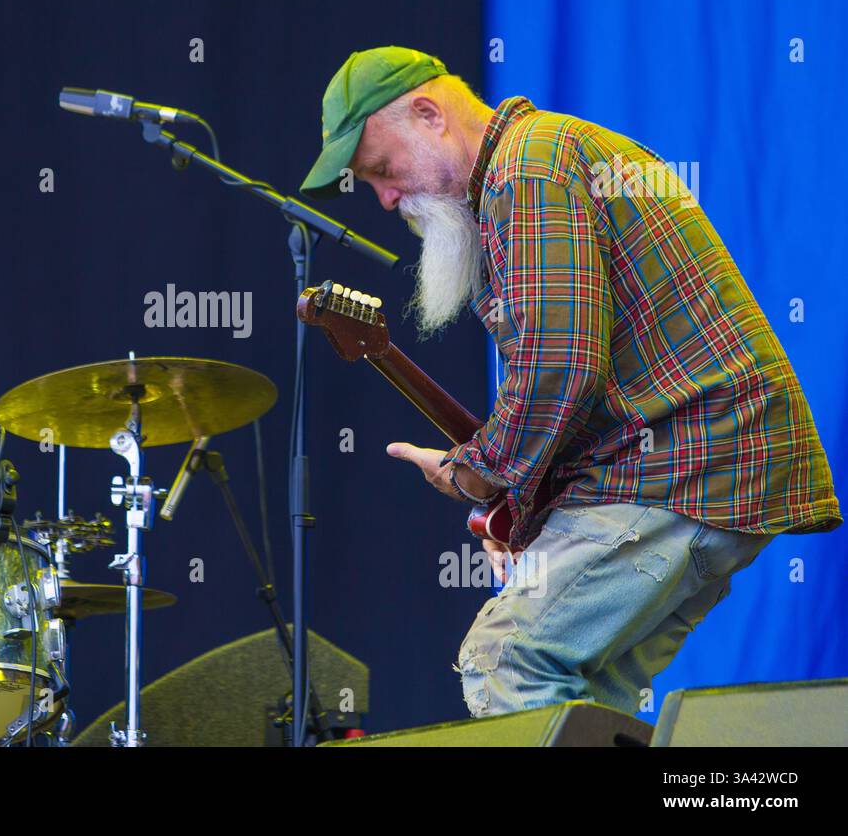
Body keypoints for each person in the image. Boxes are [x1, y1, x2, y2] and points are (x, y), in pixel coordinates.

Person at [299, 47, 841, 718]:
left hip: (685, 462)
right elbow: (579, 380)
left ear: (429, 113)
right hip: (710, 462)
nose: (384, 199)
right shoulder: (545, 157)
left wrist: (480, 476)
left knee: (507, 659)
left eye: (382, 170)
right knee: (590, 702)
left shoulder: (527, 169)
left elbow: (562, 365)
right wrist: (516, 499)